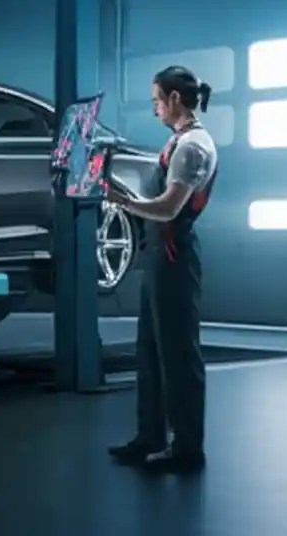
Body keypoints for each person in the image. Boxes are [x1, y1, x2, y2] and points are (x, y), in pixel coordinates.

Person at [106, 65, 218, 474]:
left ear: (174, 99)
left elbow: (170, 207)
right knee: (150, 353)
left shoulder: (193, 148)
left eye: (156, 100)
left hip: (174, 254)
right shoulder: (177, 142)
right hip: (158, 253)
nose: (154, 108)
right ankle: (150, 436)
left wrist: (124, 202)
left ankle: (187, 449)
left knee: (178, 355)